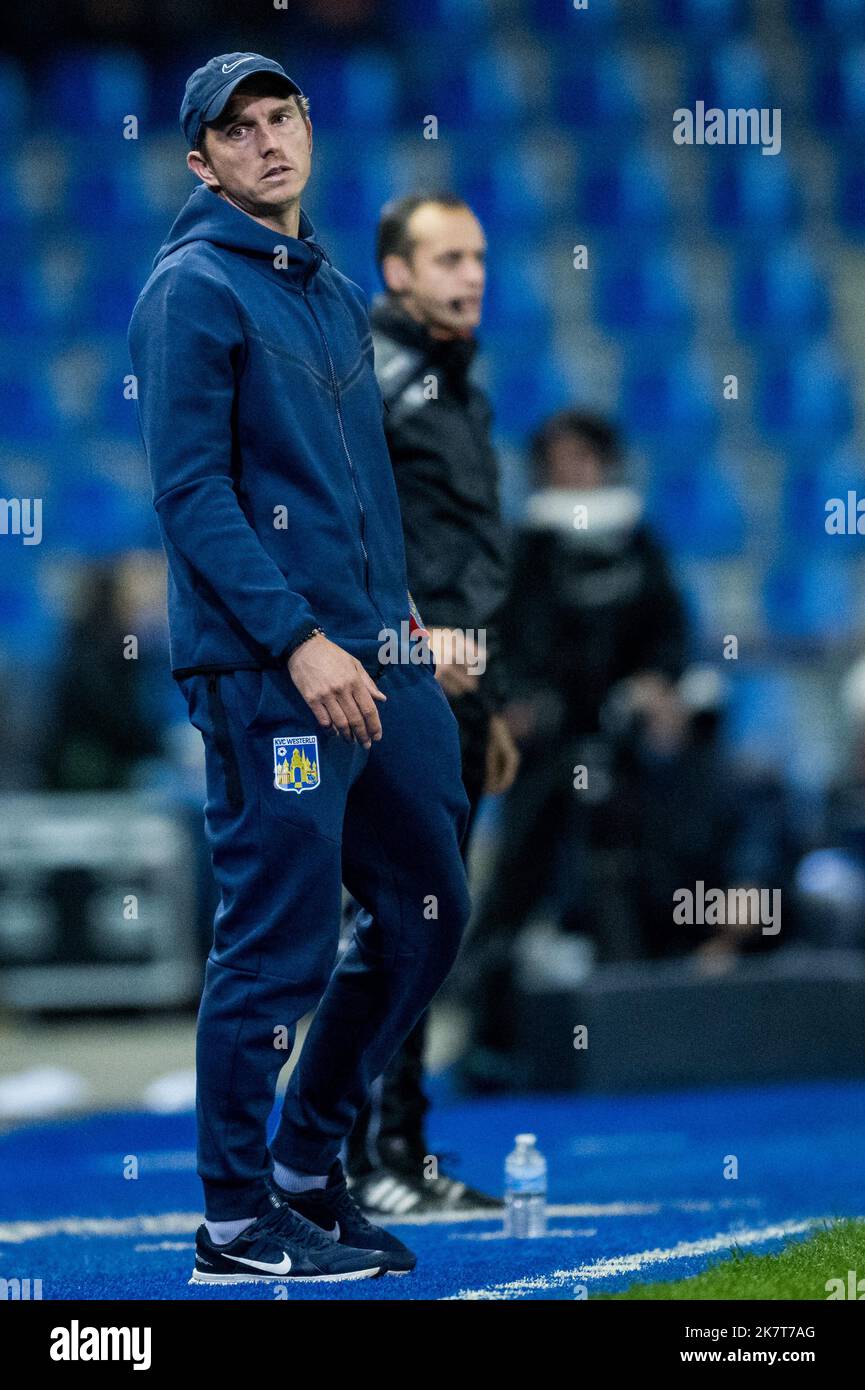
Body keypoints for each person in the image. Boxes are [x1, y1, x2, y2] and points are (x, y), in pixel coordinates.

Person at [128, 53, 472, 1286]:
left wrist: (401, 615)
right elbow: (191, 494)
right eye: (239, 128)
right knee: (276, 944)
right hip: (273, 666)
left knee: (430, 913)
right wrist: (299, 635)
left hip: (378, 650)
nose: (269, 141)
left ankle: (303, 1171)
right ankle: (231, 1221)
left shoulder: (322, 286)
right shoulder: (192, 291)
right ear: (200, 160)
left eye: (283, 117)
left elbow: (357, 486)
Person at [343, 194, 519, 1214]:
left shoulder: (462, 386)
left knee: (430, 928)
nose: (471, 273)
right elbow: (350, 526)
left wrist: (490, 705)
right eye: (447, 256)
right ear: (395, 273)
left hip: (463, 692)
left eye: (479, 255)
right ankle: (361, 1154)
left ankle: (403, 1149)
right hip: (401, 687)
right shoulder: (369, 374)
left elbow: (472, 559)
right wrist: (405, 647)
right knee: (393, 924)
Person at [456, 410, 688, 1089]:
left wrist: (656, 684)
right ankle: (487, 1042)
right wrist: (512, 699)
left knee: (624, 877)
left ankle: (637, 1036)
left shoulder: (636, 541)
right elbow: (495, 633)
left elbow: (669, 631)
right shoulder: (526, 546)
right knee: (515, 888)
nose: (571, 471)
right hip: (545, 746)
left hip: (618, 743)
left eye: (583, 457)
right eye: (559, 459)